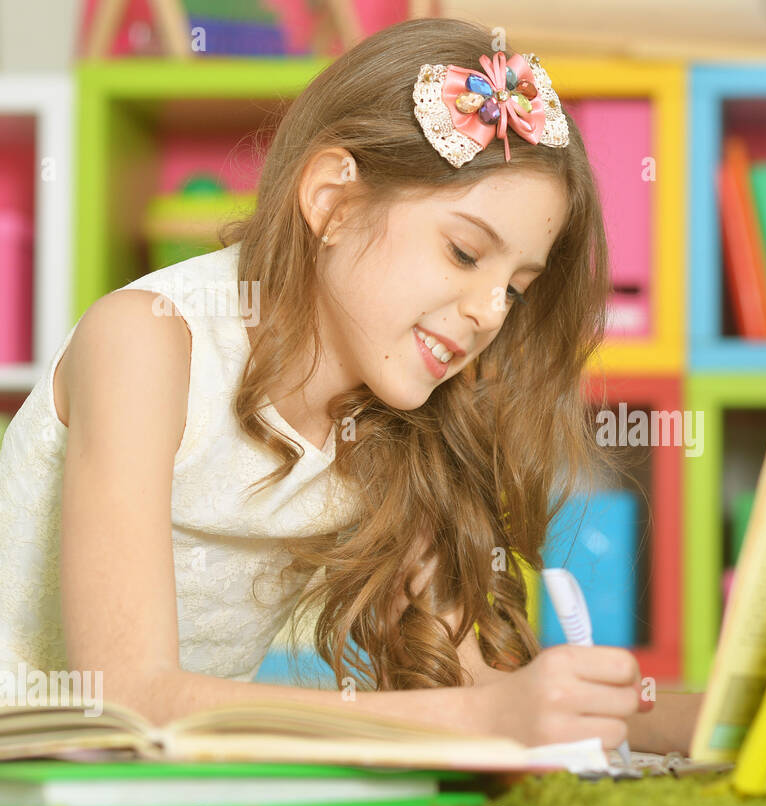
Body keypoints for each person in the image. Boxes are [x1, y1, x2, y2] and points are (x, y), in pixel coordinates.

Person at [0, 18, 700, 755]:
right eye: (465, 252)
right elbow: (127, 700)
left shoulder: (394, 414)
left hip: (152, 789)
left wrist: (692, 719)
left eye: (517, 289)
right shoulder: (146, 340)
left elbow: (479, 695)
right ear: (333, 200)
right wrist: (488, 721)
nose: (491, 312)